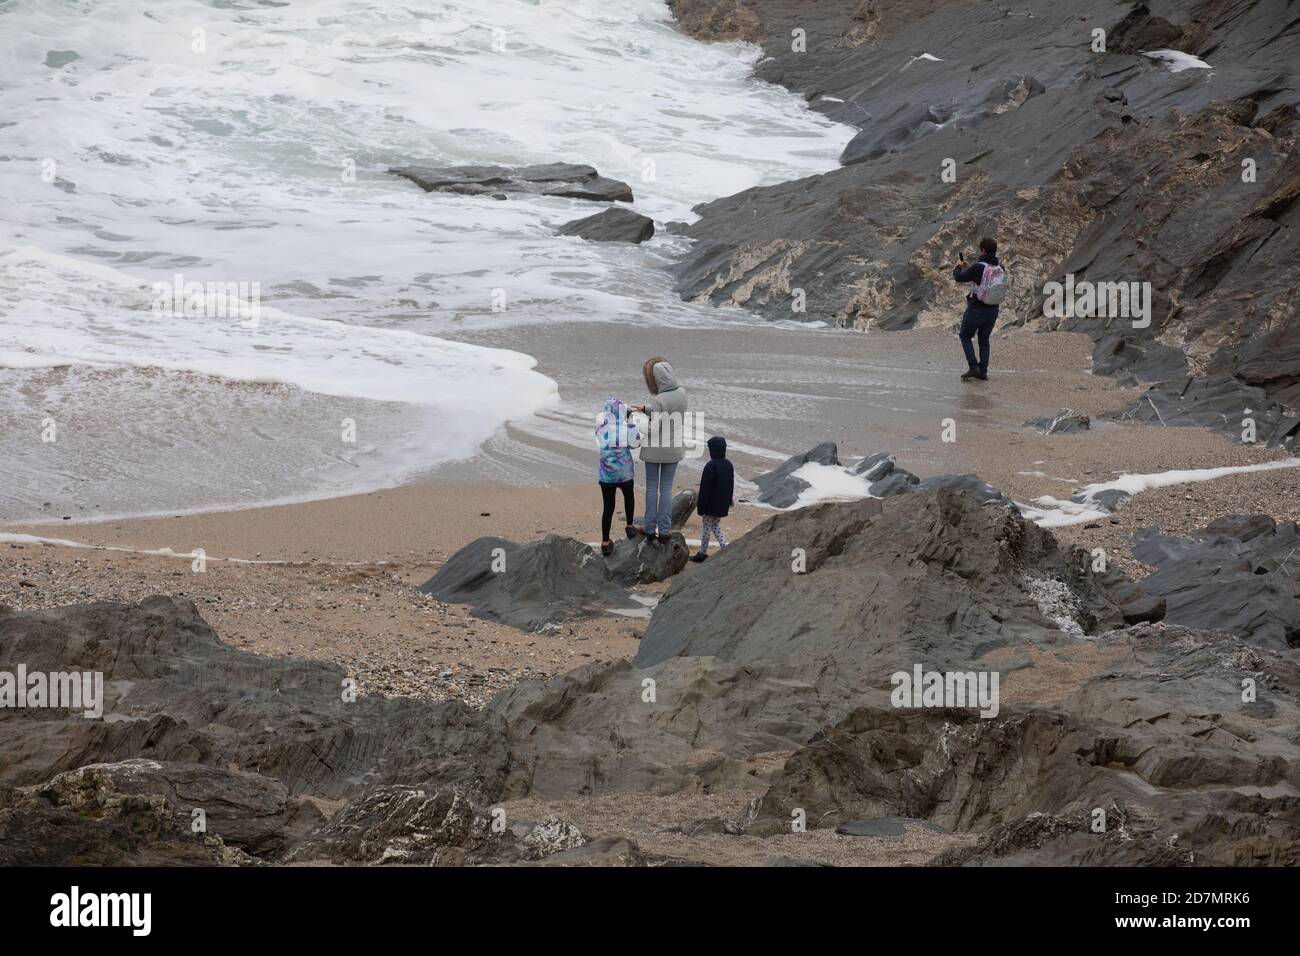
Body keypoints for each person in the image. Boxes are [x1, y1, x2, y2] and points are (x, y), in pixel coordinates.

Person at [629, 356, 688, 542]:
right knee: (666, 488)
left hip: (655, 450)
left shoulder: (659, 399)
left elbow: (654, 428)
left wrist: (636, 423)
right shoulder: (682, 393)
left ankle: (649, 528)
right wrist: (646, 409)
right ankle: (664, 530)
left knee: (652, 488)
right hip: (673, 449)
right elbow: (669, 413)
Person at [952, 236, 1006, 382]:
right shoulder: (1000, 268)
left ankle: (973, 367)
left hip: (976, 309)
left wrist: (958, 266)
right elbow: (985, 281)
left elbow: (959, 278)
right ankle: (983, 371)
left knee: (965, 336)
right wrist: (970, 268)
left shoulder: (979, 267)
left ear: (982, 250)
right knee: (984, 340)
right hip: (993, 309)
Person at [595, 397, 638, 556]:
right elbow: (635, 444)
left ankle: (605, 542)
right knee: (629, 497)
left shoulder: (600, 428)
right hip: (624, 473)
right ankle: (629, 526)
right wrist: (630, 421)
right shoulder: (627, 428)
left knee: (608, 507)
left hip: (607, 475)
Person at [690, 435, 733, 563]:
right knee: (715, 525)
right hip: (722, 503)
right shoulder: (729, 465)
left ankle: (702, 553)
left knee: (707, 529)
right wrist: (729, 500)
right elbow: (731, 485)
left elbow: (705, 489)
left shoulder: (710, 466)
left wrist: (701, 506)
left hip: (710, 505)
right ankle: (725, 547)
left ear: (712, 450)